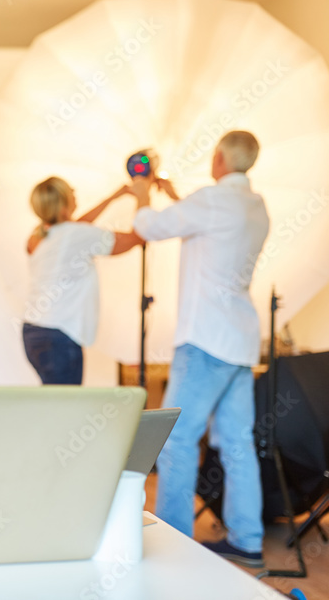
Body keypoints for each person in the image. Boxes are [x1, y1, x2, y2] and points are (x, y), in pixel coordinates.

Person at [132, 130, 269, 567]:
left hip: (205, 340)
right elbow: (204, 221)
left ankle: (176, 546)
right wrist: (175, 194)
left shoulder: (210, 200)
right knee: (237, 443)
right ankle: (248, 542)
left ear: (219, 159)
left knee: (176, 442)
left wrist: (140, 194)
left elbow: (149, 226)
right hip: (241, 340)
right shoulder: (256, 206)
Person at [22, 178, 143, 385]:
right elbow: (136, 238)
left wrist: (113, 197)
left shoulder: (37, 237)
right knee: (67, 409)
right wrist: (143, 197)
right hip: (59, 337)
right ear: (63, 205)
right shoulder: (77, 235)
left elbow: (74, 227)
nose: (75, 190)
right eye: (70, 190)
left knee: (55, 403)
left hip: (34, 333)